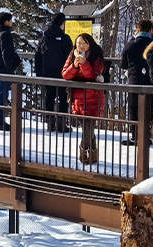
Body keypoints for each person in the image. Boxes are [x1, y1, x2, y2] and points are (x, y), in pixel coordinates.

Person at [62, 33, 106, 166]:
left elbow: (91, 76)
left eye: (83, 43)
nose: (80, 45)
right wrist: (75, 65)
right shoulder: (72, 55)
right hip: (78, 99)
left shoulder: (96, 56)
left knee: (88, 127)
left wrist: (84, 63)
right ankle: (92, 156)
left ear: (89, 44)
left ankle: (84, 155)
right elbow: (65, 75)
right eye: (78, 43)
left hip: (93, 98)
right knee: (88, 129)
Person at [34, 12, 72, 132]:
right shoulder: (65, 38)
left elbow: (37, 56)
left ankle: (50, 124)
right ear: (62, 23)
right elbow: (70, 56)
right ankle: (61, 124)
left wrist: (39, 74)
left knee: (49, 97)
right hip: (62, 75)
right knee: (63, 98)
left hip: (47, 74)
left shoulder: (44, 37)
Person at [120, 20, 153, 145]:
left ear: (138, 29)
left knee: (134, 109)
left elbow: (123, 64)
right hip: (150, 82)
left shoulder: (130, 44)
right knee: (149, 109)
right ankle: (146, 137)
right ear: (150, 30)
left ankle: (135, 137)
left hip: (134, 82)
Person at [0, 11, 21, 131]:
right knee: (2, 95)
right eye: (10, 20)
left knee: (0, 94)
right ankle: (0, 122)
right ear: (6, 21)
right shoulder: (5, 34)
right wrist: (12, 67)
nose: (12, 22)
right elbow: (6, 53)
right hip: (4, 70)